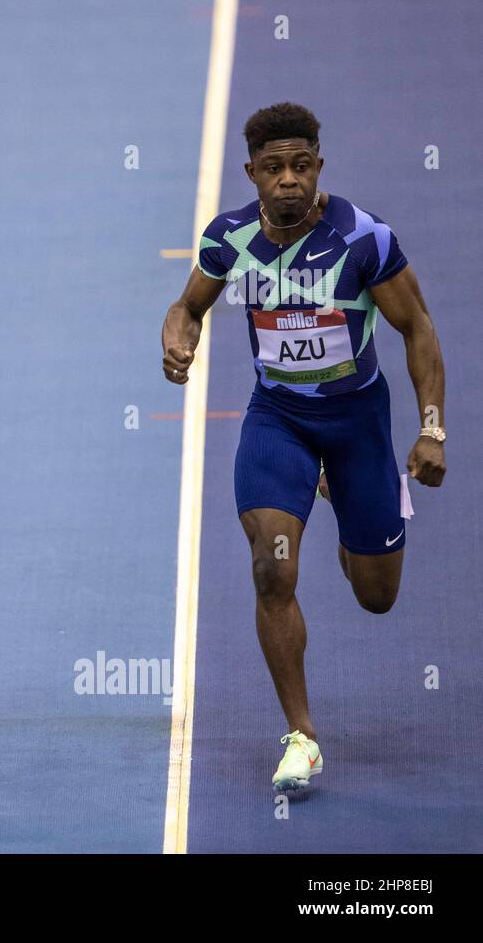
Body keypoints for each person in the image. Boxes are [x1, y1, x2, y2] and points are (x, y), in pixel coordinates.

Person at [161, 103, 446, 792]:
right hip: (278, 422)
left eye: (301, 166)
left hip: (356, 425)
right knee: (271, 571)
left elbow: (418, 330)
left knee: (376, 595)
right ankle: (302, 736)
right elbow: (188, 304)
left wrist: (431, 427)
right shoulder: (228, 239)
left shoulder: (363, 239)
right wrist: (177, 336)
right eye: (273, 169)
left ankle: (355, 510)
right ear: (252, 173)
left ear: (318, 167)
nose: (288, 180)